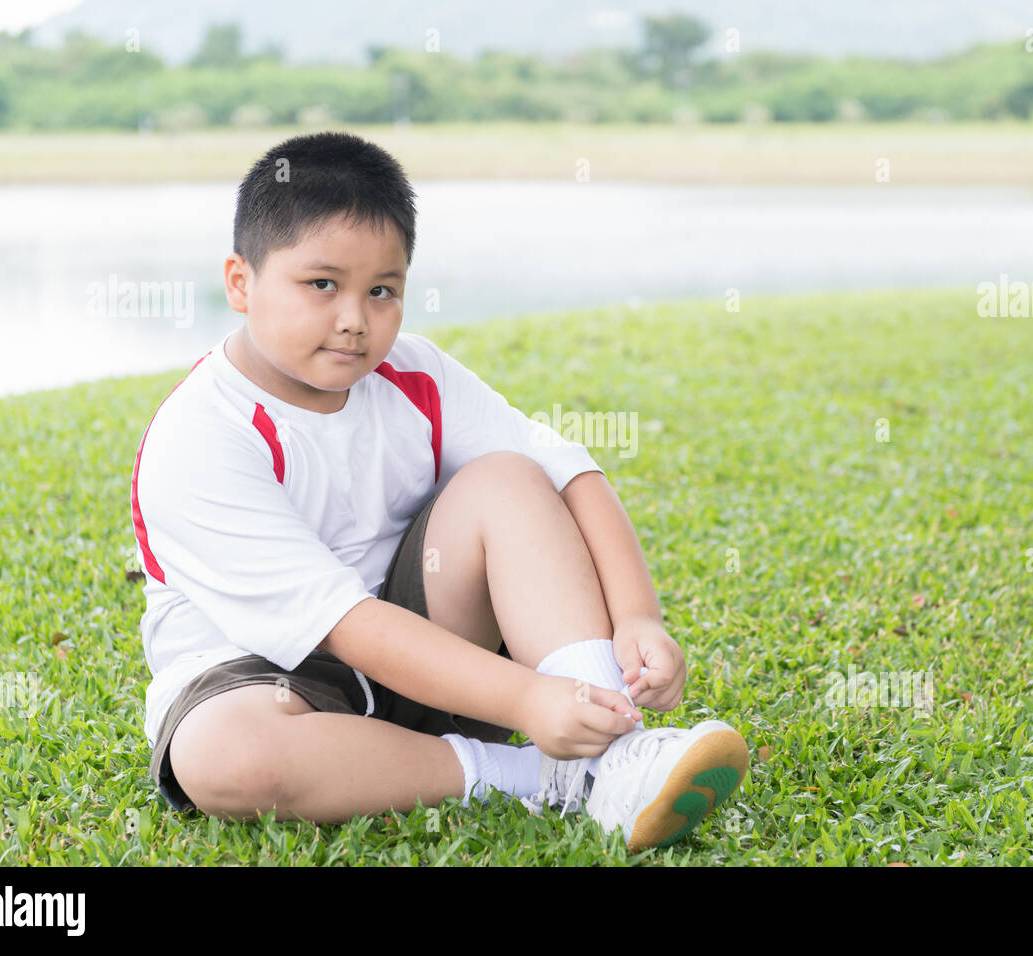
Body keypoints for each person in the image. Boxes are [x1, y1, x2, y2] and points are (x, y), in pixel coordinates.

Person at [129, 131, 748, 853]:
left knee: (509, 479)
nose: (355, 319)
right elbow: (345, 625)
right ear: (240, 282)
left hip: (431, 664)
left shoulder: (416, 378)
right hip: (267, 679)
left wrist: (638, 618)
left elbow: (569, 471)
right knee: (220, 757)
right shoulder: (201, 436)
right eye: (322, 285)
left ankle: (610, 750)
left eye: (382, 290)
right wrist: (525, 700)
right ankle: (537, 776)